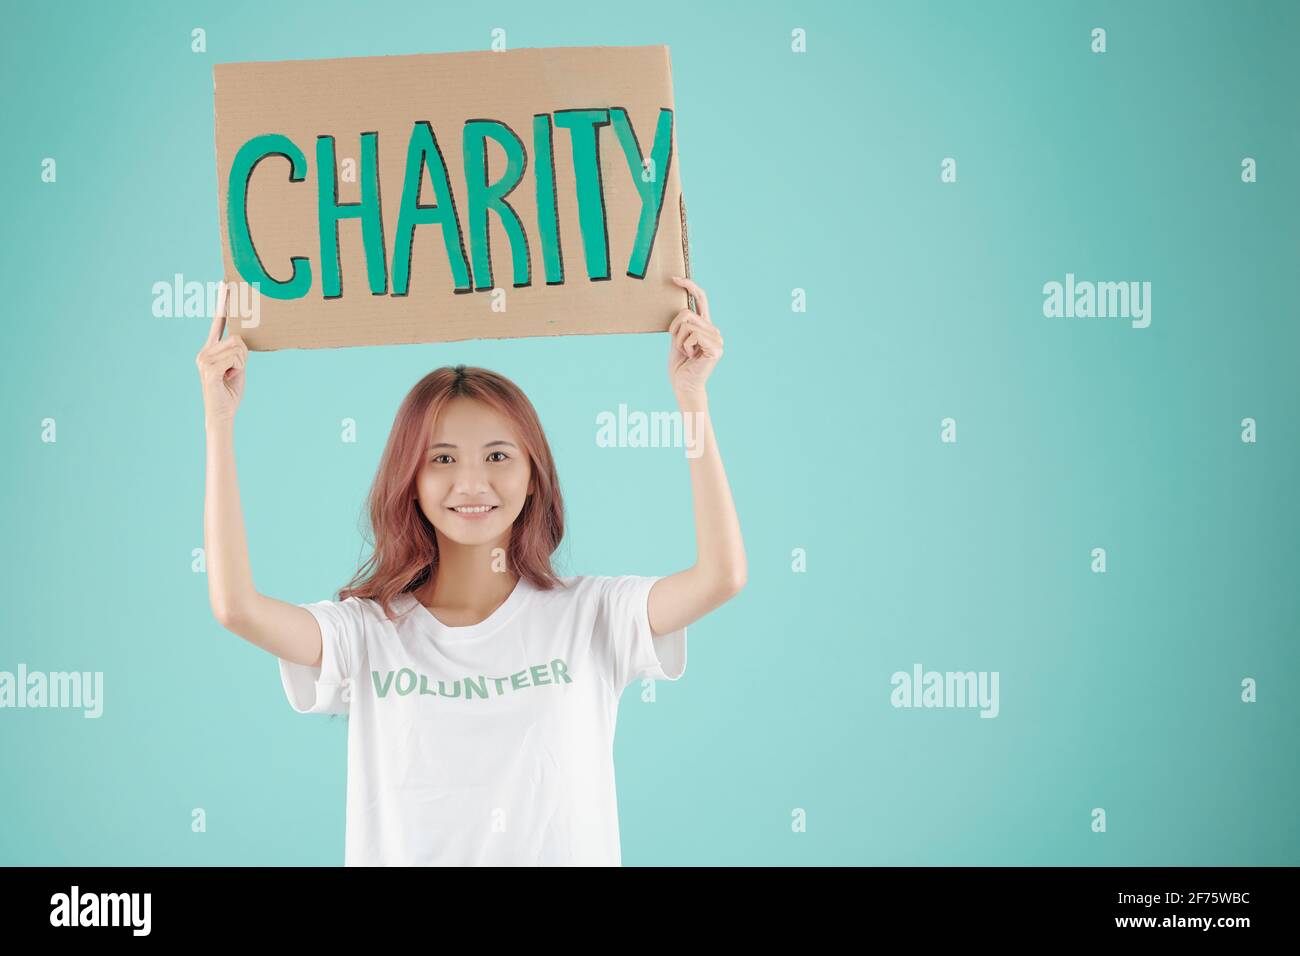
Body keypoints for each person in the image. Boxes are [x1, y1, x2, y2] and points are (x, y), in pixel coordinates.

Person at [195, 275, 746, 865]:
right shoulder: (366, 632)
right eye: (442, 459)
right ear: (410, 480)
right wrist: (219, 421)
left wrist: (692, 400)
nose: (471, 482)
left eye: (498, 457)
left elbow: (721, 576)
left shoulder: (593, 614)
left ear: (533, 476)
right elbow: (237, 608)